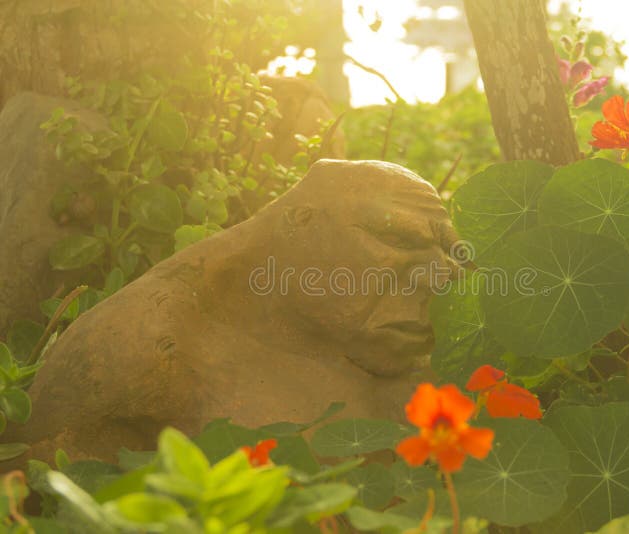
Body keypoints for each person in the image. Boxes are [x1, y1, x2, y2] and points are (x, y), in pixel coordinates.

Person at [11, 159, 459, 462]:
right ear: (299, 224)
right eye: (399, 240)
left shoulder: (416, 343)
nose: (439, 276)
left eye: (451, 255)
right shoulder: (144, 347)